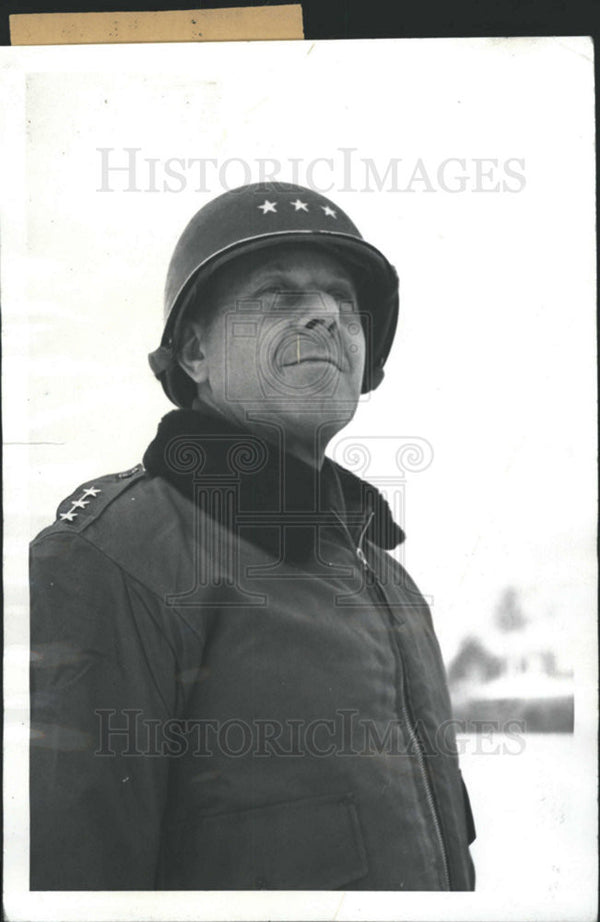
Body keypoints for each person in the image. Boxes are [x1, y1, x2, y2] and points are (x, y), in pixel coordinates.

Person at [29, 181, 476, 891]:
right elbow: (72, 878)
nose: (327, 315)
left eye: (344, 300)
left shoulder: (389, 578)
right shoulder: (118, 552)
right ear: (197, 353)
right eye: (277, 295)